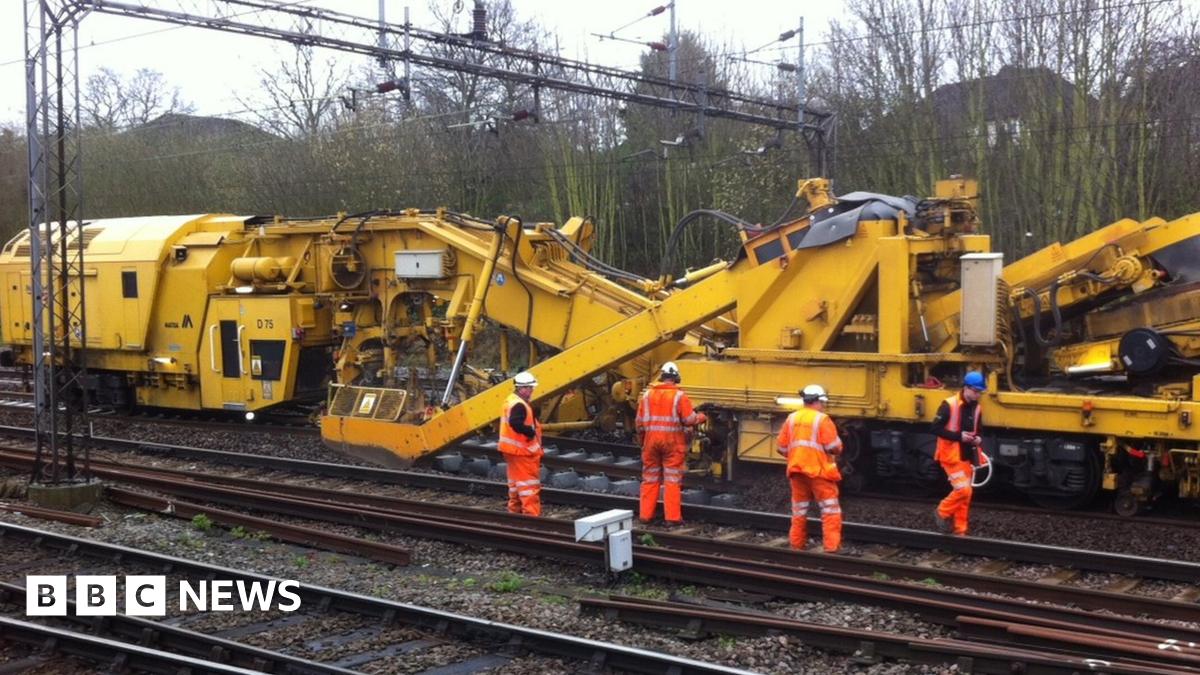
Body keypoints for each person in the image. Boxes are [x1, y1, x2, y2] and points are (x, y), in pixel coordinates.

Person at [635, 362, 706, 525]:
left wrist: (642, 441)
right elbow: (688, 421)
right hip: (672, 443)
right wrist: (701, 417)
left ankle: (645, 516)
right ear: (676, 378)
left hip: (651, 442)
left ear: (662, 376)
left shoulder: (647, 395)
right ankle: (672, 518)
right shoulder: (680, 396)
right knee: (672, 480)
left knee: (650, 478)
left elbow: (639, 423)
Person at [776, 384, 844, 553]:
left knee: (799, 511)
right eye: (823, 402)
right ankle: (831, 548)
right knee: (830, 510)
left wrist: (797, 455)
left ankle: (797, 545)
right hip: (819, 472)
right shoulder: (822, 419)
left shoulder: (791, 418)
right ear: (818, 401)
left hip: (797, 471)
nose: (824, 405)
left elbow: (781, 448)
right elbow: (834, 446)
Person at [932, 371, 986, 536]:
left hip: (967, 455)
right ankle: (941, 511)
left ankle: (960, 531)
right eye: (975, 391)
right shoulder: (948, 405)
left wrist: (977, 439)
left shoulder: (977, 408)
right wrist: (959, 436)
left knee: (965, 498)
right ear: (966, 388)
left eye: (980, 392)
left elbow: (979, 430)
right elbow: (934, 428)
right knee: (964, 491)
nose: (977, 395)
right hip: (951, 455)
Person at [499, 371, 543, 516]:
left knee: (515, 485)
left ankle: (514, 514)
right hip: (522, 451)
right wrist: (530, 432)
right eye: (530, 388)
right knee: (528, 486)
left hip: (512, 450)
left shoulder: (511, 400)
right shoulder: (519, 405)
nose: (532, 390)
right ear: (522, 388)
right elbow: (516, 423)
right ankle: (531, 517)